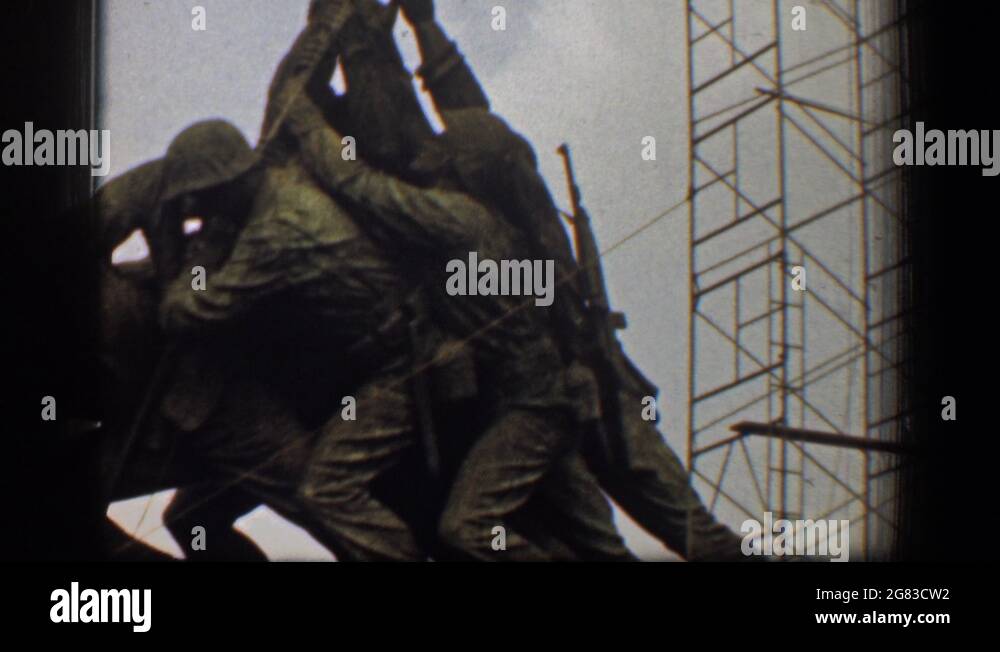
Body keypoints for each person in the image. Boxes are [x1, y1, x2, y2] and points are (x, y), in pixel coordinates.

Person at [398, 0, 745, 560]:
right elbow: (466, 106)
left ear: (470, 173)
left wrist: (582, 367)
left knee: (686, 525)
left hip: (598, 392)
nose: (432, 154)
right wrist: (424, 25)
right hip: (543, 409)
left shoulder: (522, 237)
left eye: (445, 153)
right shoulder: (486, 199)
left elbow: (471, 125)